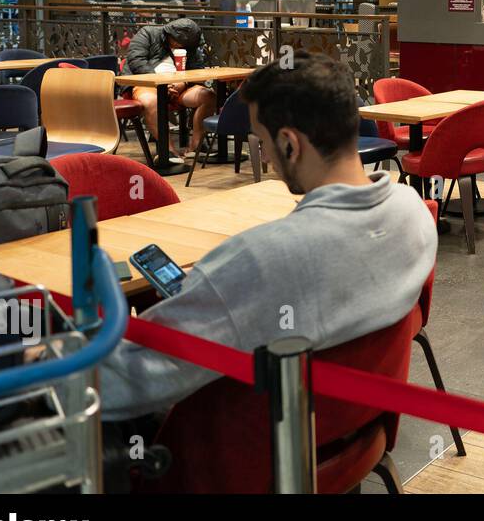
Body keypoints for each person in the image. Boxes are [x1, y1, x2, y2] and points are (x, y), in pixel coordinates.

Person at [99, 52, 436, 421]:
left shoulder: (262, 260)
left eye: (262, 141)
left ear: (290, 144)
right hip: (353, 433)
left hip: (238, 460)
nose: (270, 160)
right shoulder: (414, 209)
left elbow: (127, 383)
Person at [122, 17, 216, 158]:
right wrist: (161, 84)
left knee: (208, 96)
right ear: (169, 35)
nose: (181, 46)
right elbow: (136, 61)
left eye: (185, 45)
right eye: (179, 42)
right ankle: (169, 152)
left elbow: (197, 69)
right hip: (147, 83)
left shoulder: (190, 46)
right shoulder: (148, 33)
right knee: (151, 102)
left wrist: (181, 83)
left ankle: (196, 147)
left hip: (180, 86)